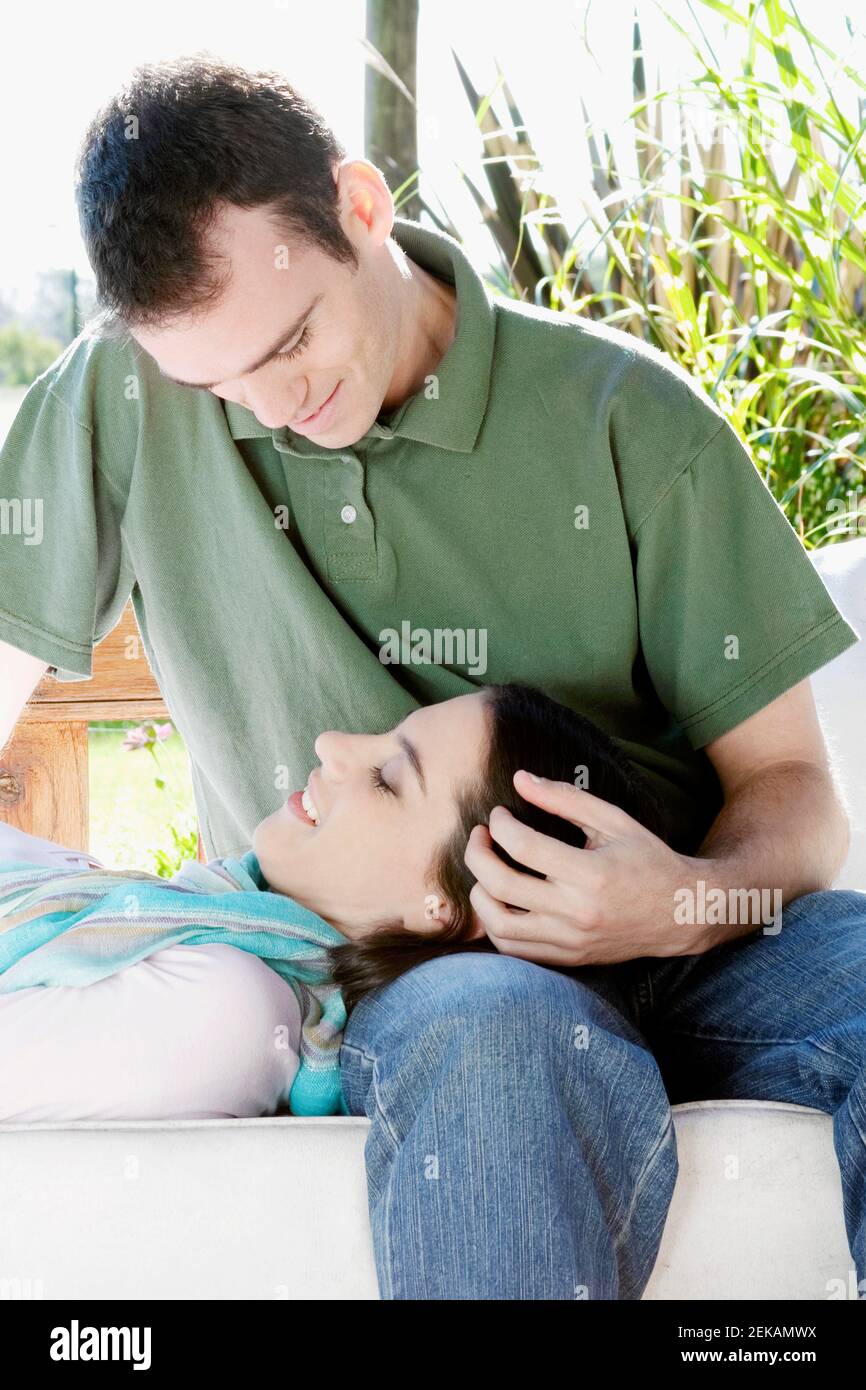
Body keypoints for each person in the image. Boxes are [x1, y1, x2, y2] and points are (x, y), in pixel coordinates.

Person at [0, 56, 863, 1299]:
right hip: (411, 961)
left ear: (358, 206)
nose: (273, 403)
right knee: (492, 1033)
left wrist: (677, 901)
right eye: (217, 382)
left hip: (698, 936)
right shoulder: (132, 391)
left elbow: (792, 787)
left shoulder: (631, 422)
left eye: (293, 339)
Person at [0, 684, 666, 1118]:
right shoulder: (147, 909)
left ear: (443, 909)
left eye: (388, 778)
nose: (330, 745)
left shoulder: (229, 1011)